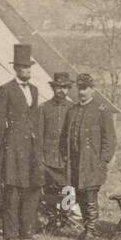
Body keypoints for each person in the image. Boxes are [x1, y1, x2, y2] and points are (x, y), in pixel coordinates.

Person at [0, 44, 44, 240]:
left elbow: (34, 119)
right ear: (15, 69)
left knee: (31, 188)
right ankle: (11, 232)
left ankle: (26, 230)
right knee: (12, 190)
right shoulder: (5, 89)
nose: (27, 70)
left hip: (31, 148)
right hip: (13, 147)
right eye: (23, 67)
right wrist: (4, 145)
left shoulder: (35, 90)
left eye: (29, 67)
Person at [63, 73, 116, 240]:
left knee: (90, 195)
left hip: (93, 163)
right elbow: (66, 136)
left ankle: (91, 231)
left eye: (85, 88)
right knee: (80, 195)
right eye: (80, 88)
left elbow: (110, 139)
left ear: (93, 90)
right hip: (76, 162)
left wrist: (104, 160)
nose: (82, 92)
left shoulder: (101, 110)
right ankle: (87, 227)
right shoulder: (72, 110)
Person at [39, 70, 74, 202]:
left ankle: (66, 220)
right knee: (50, 195)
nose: (61, 90)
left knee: (67, 193)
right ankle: (52, 221)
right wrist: (41, 159)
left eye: (65, 87)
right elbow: (39, 135)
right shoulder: (43, 108)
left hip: (67, 160)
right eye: (59, 87)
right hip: (48, 160)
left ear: (68, 89)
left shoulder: (73, 108)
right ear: (53, 88)